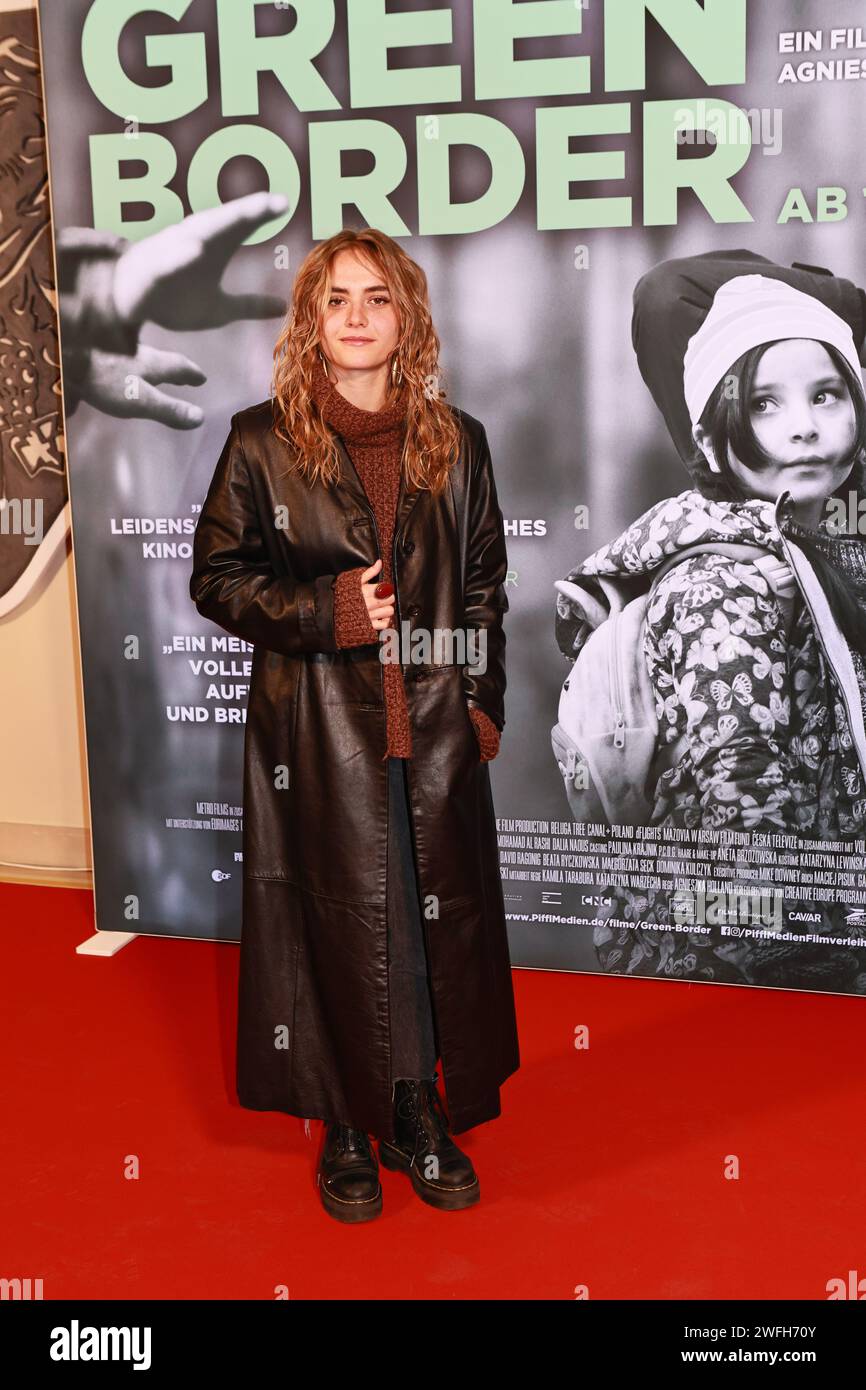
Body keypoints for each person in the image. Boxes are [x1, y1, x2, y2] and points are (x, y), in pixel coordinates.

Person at [190, 228, 520, 1222]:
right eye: (337, 300)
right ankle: (340, 1118)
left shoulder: (454, 438)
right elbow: (215, 577)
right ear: (311, 322)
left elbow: (483, 588)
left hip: (429, 733)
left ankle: (418, 1108)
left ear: (406, 317)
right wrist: (325, 611)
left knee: (423, 934)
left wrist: (477, 700)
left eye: (377, 297)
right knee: (330, 923)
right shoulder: (260, 440)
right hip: (314, 733)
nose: (358, 316)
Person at [558, 258, 866, 993]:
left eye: (827, 395)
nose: (804, 428)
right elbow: (742, 820)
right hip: (755, 987)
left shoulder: (805, 553)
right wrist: (828, 972)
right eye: (764, 405)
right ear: (710, 436)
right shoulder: (724, 583)